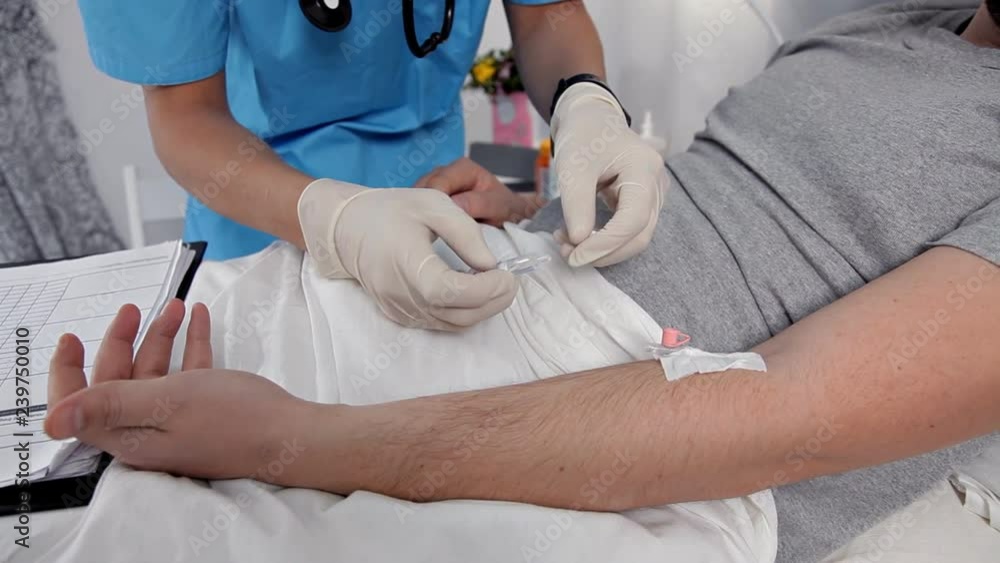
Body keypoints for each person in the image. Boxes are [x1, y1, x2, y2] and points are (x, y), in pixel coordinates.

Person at [44, 1, 1000, 561]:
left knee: (128, 516)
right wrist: (521, 208)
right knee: (76, 457)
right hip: (398, 244)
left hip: (622, 405)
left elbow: (777, 414)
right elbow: (185, 118)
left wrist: (586, 107)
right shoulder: (891, 24)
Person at [75, 0, 668, 330]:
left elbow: (546, 14)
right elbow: (185, 115)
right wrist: (335, 222)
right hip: (260, 222)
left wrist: (585, 102)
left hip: (447, 213)